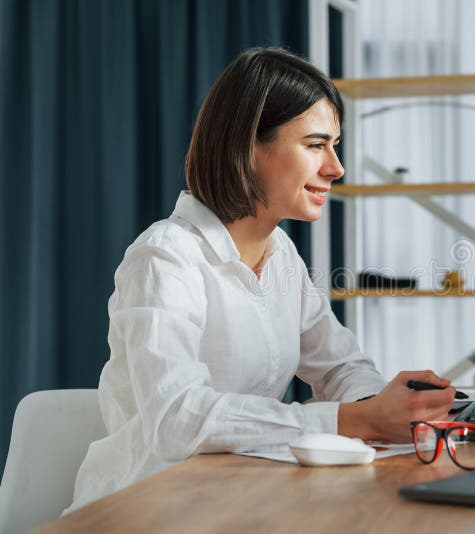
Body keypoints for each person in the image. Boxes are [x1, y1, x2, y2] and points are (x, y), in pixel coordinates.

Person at [66, 47, 454, 513]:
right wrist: (352, 419)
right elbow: (177, 420)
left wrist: (385, 406)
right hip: (147, 506)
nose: (336, 167)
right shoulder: (164, 257)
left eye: (335, 145)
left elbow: (338, 367)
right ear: (248, 146)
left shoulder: (282, 255)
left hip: (240, 496)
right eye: (315, 145)